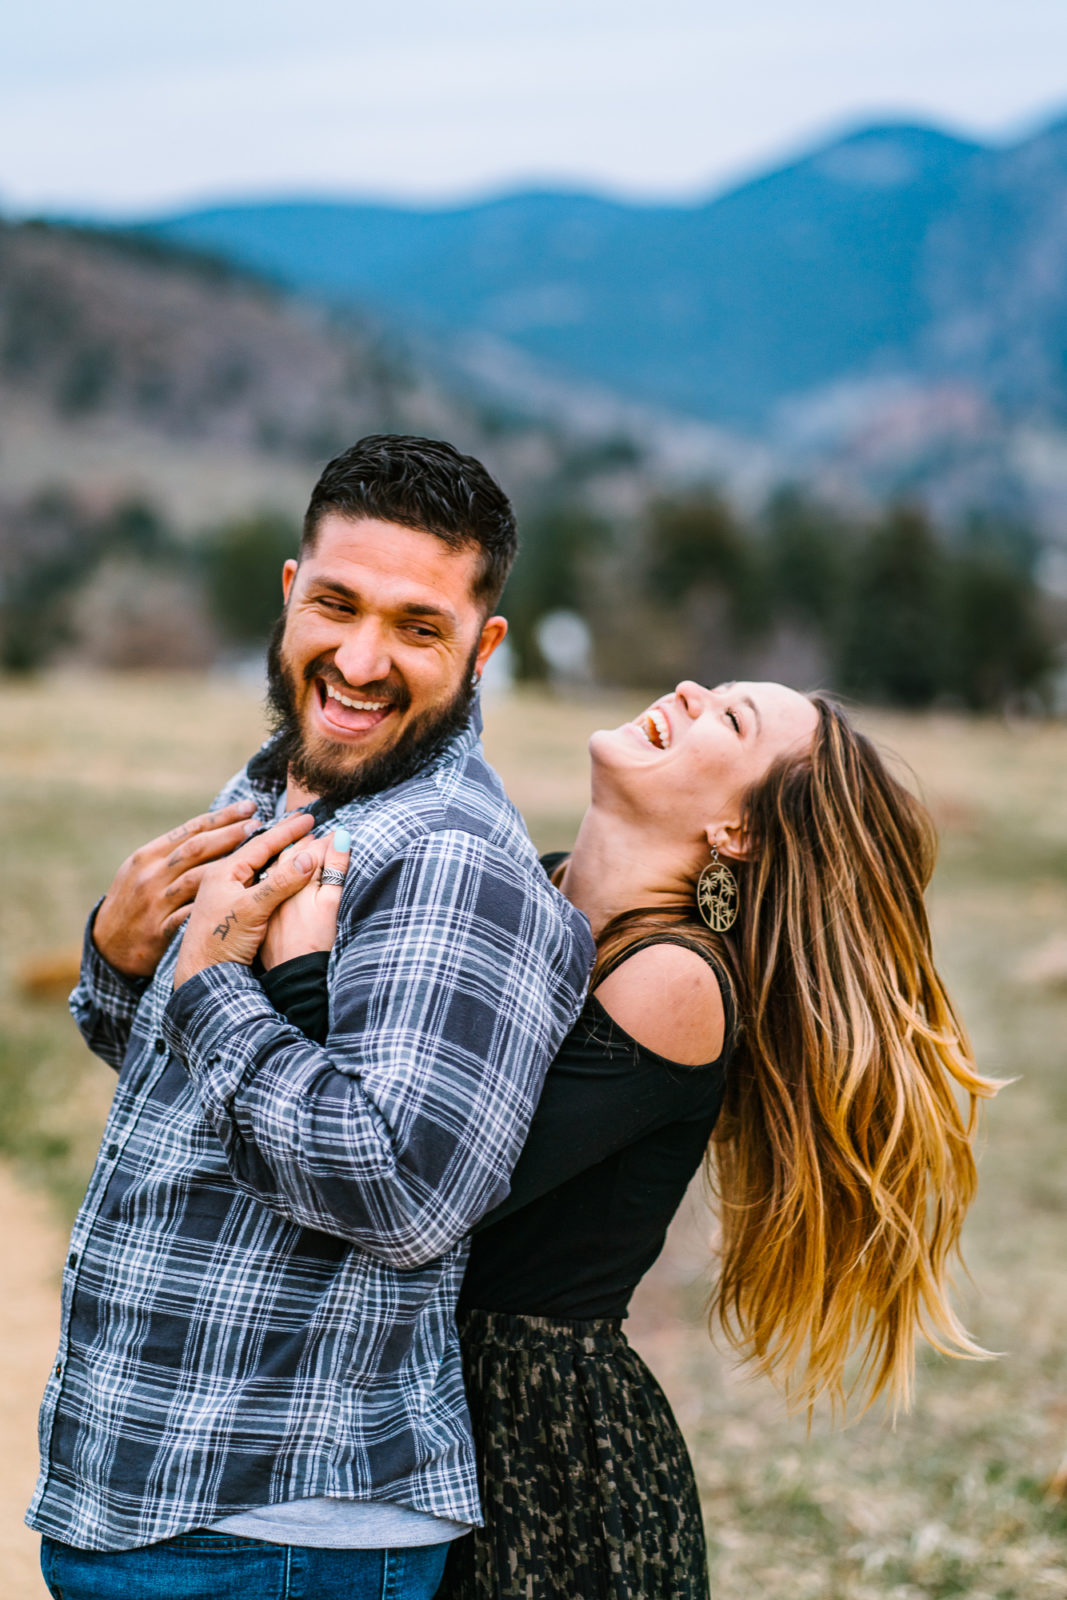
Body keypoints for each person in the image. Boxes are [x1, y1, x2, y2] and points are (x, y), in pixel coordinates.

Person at [254, 678, 999, 1599]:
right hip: (406, 1404)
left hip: (536, 1459)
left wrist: (298, 979)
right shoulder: (531, 887)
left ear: (739, 833)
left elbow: (425, 1185)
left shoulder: (675, 981)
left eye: (728, 718)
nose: (686, 690)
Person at [29, 435, 594, 1600]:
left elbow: (401, 1193)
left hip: (285, 1529)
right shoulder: (271, 793)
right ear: (291, 594)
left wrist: (205, 982)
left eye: (417, 625)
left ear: (482, 648)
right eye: (336, 603)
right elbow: (187, 1094)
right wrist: (118, 962)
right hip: (145, 1491)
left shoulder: (451, 864)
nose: (361, 656)